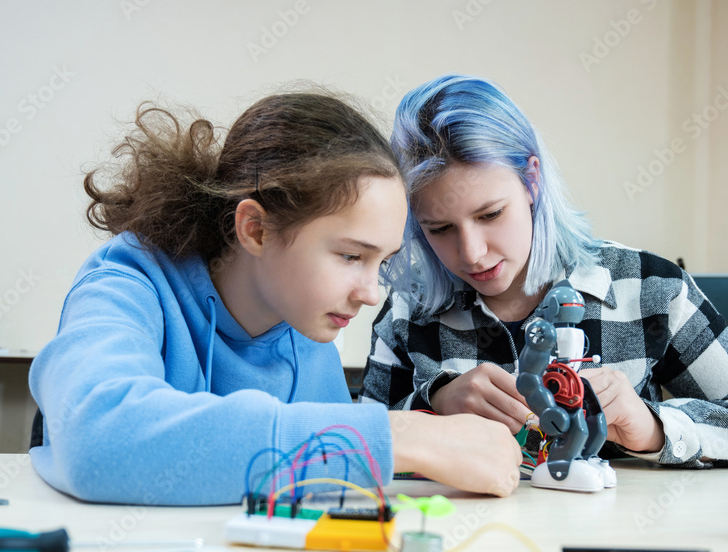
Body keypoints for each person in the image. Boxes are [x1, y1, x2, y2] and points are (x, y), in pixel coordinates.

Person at [28, 89, 522, 504]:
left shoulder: (305, 325)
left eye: (382, 262)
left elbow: (317, 497)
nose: (371, 293)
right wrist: (400, 434)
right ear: (256, 229)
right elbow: (97, 442)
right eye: (351, 256)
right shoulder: (128, 283)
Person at [361, 74, 728, 468]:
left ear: (532, 181)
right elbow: (351, 445)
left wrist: (656, 428)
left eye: (491, 215)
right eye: (439, 229)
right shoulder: (407, 311)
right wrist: (431, 405)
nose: (473, 253)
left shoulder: (649, 289)